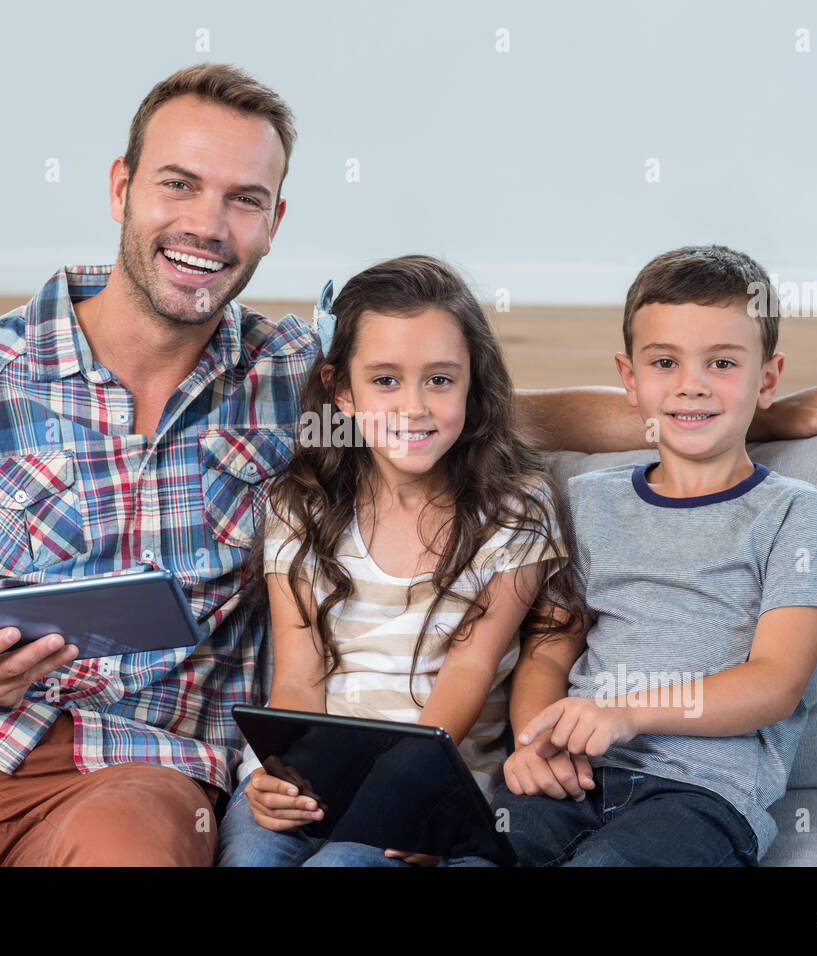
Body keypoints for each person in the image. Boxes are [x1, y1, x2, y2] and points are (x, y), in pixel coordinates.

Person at [0, 59, 817, 866]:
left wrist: (757, 419)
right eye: (178, 184)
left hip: (135, 770)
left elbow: (491, 408)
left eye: (243, 199)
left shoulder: (297, 375)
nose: (205, 222)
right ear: (123, 189)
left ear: (273, 222)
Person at [492, 245, 817, 866]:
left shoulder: (794, 514)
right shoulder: (585, 502)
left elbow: (774, 682)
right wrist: (534, 739)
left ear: (767, 379)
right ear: (630, 377)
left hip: (701, 794)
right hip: (574, 775)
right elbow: (550, 645)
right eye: (665, 362)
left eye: (721, 362)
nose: (691, 385)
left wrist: (625, 714)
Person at [216, 255, 590, 866]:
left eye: (440, 380)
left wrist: (409, 793)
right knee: (250, 857)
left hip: (433, 781)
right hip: (317, 774)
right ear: (342, 391)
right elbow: (298, 677)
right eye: (385, 380)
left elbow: (470, 669)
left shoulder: (516, 509)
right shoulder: (301, 506)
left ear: (474, 384)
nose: (413, 407)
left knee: (342, 863)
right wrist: (276, 773)